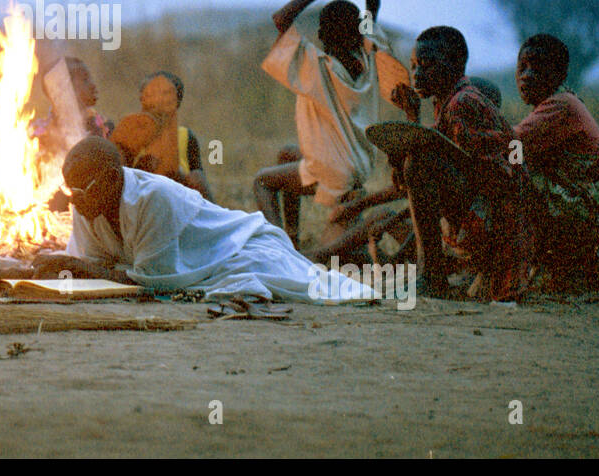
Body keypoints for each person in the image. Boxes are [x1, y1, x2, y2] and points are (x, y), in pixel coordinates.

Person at [33, 137, 376, 303]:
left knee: (306, 284)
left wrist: (74, 266)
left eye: (81, 189)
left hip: (239, 247)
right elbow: (95, 263)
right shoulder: (87, 201)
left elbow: (155, 282)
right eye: (69, 190)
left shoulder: (153, 199)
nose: (72, 199)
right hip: (199, 261)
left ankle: (344, 251)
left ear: (111, 178)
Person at [254, 0, 405, 241]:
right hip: (358, 166)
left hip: (332, 172)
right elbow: (372, 9)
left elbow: (280, 19)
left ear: (321, 36)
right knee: (288, 154)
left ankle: (280, 247)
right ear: (360, 32)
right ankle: (293, 235)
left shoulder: (317, 66)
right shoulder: (369, 54)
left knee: (262, 181)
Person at [390, 26, 532, 300]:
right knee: (417, 161)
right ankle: (435, 271)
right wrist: (411, 117)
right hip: (491, 217)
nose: (417, 73)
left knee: (419, 163)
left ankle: (432, 275)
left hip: (501, 225)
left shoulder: (462, 104)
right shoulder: (447, 101)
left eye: (428, 64)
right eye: (414, 66)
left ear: (456, 64)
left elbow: (496, 178)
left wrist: (419, 157)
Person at [512, 33, 599, 289]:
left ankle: (507, 268)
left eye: (537, 68)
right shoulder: (559, 102)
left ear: (559, 74)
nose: (526, 75)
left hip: (588, 209)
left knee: (507, 177)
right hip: (587, 204)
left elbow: (506, 144)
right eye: (522, 68)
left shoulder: (561, 106)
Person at [134, 71, 214, 201]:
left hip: (181, 201)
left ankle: (215, 218)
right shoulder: (132, 135)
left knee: (196, 177)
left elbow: (197, 179)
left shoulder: (185, 136)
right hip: (145, 201)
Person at [30, 57, 111, 155]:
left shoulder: (104, 127)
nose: (93, 85)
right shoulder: (39, 135)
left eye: (90, 78)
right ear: (63, 89)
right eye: (85, 80)